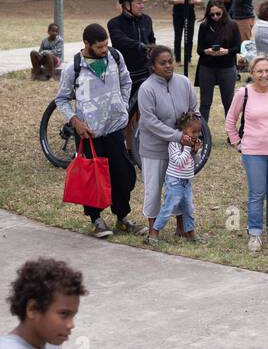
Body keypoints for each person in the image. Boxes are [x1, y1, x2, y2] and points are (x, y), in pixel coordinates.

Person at [54, 23, 140, 238]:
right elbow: (62, 99)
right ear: (86, 44)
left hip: (114, 127)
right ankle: (96, 220)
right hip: (88, 133)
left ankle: (122, 218)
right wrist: (76, 122)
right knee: (93, 177)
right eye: (100, 47)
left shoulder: (115, 56)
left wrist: (120, 103)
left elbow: (126, 81)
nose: (104, 50)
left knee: (123, 174)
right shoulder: (73, 68)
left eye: (106, 45)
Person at [226, 56, 268, 251]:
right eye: (259, 71)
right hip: (253, 153)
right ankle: (254, 233)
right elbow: (230, 121)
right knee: (257, 193)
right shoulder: (243, 93)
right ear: (252, 73)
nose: (264, 75)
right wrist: (238, 143)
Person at [136, 46, 198, 238]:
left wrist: (194, 137)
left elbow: (194, 111)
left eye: (170, 61)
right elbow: (149, 122)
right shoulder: (146, 89)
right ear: (153, 66)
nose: (168, 65)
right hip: (154, 149)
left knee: (180, 187)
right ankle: (153, 231)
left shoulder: (184, 82)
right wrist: (177, 136)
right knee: (153, 191)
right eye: (162, 63)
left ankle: (182, 228)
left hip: (182, 149)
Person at [148, 111, 206, 245]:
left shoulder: (190, 144)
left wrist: (195, 151)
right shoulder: (174, 144)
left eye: (198, 132)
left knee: (189, 208)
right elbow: (179, 162)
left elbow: (194, 162)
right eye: (193, 132)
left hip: (186, 182)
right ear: (183, 130)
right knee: (169, 208)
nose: (196, 135)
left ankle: (190, 232)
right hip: (174, 181)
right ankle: (154, 231)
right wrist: (187, 148)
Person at [195, 1, 241, 123]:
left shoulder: (232, 25)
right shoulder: (204, 26)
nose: (215, 17)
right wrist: (207, 51)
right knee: (205, 102)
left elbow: (238, 47)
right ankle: (202, 133)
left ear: (223, 12)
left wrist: (226, 51)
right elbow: (199, 49)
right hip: (207, 67)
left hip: (226, 67)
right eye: (212, 14)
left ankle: (231, 133)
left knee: (228, 102)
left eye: (218, 14)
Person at [108, 0, 155, 101]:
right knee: (127, 107)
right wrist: (140, 45)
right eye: (138, 3)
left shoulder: (147, 20)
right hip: (125, 73)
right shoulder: (114, 23)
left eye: (142, 2)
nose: (142, 6)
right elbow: (120, 40)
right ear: (127, 5)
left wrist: (153, 49)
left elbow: (151, 39)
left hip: (145, 71)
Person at [167, 0, 203, 76]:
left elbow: (199, 0)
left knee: (189, 38)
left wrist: (195, 2)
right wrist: (180, 1)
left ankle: (188, 59)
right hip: (178, 16)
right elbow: (169, 0)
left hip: (190, 16)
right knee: (178, 37)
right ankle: (177, 60)